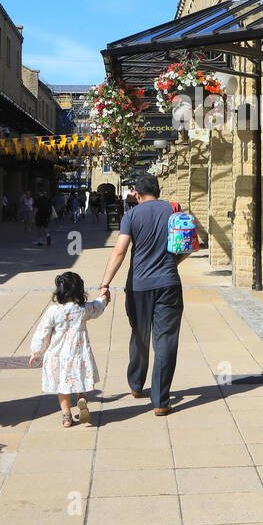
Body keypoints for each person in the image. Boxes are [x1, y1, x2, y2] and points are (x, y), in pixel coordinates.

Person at [97, 174, 192, 416]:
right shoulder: (174, 211)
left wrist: (104, 284)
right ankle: (160, 400)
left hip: (139, 285)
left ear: (137, 195)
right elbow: (188, 246)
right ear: (158, 191)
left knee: (140, 333)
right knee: (166, 340)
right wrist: (171, 265)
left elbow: (119, 252)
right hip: (169, 284)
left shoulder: (131, 215)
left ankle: (137, 384)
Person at [29, 271, 107, 427]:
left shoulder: (53, 311)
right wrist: (104, 296)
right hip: (79, 353)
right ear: (79, 290)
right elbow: (97, 307)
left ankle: (66, 417)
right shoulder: (83, 309)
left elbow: (42, 333)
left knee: (62, 386)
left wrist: (36, 353)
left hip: (58, 355)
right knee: (79, 379)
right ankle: (82, 399)